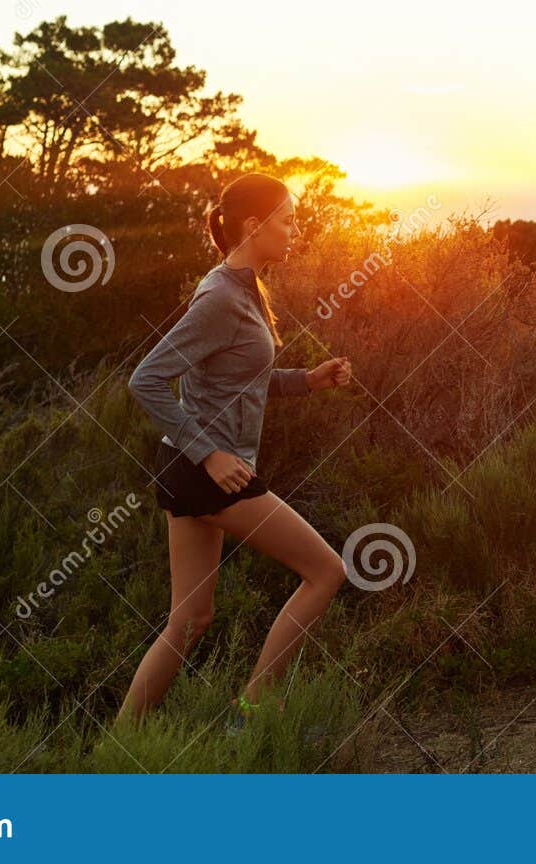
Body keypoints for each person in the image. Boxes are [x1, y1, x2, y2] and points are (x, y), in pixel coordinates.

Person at [119, 173, 353, 721]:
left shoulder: (243, 287)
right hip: (208, 471)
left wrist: (307, 381)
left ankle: (120, 741)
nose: (296, 231)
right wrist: (209, 453)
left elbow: (240, 379)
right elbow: (146, 379)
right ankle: (251, 710)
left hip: (188, 469)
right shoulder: (221, 297)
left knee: (190, 619)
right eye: (288, 221)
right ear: (254, 225)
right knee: (326, 572)